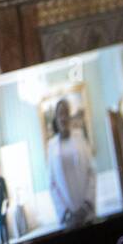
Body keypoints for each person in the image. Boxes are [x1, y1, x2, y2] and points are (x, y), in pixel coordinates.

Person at [46, 97, 96, 229]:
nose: (63, 118)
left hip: (86, 211)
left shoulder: (80, 138)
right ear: (56, 119)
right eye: (60, 114)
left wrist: (86, 206)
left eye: (66, 113)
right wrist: (66, 213)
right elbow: (52, 184)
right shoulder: (51, 146)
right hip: (68, 218)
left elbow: (91, 172)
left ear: (70, 116)